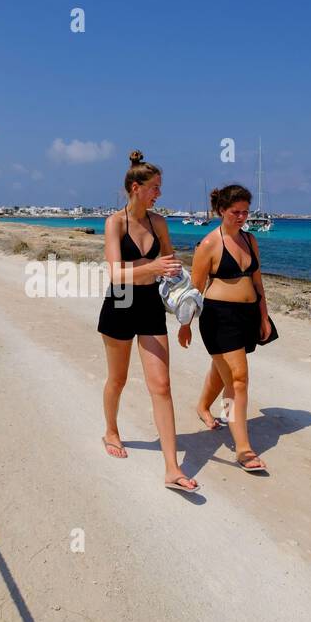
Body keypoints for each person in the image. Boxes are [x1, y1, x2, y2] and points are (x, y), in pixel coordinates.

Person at [97, 150, 198, 492]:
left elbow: (169, 261)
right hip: (121, 300)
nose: (159, 193)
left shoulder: (159, 223)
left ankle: (171, 467)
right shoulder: (115, 223)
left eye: (160, 187)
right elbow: (114, 272)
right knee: (118, 378)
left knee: (162, 385)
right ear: (136, 187)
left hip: (151, 303)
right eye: (155, 187)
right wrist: (152, 268)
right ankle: (111, 430)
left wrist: (185, 305)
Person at [178, 184, 270, 473]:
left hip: (248, 315)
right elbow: (194, 289)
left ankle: (203, 407)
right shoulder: (208, 245)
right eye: (235, 212)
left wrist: (264, 317)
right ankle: (243, 449)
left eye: (245, 212)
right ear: (221, 211)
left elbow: (257, 282)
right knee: (238, 379)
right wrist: (186, 324)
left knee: (224, 369)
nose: (241, 217)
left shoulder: (250, 240)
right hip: (219, 317)